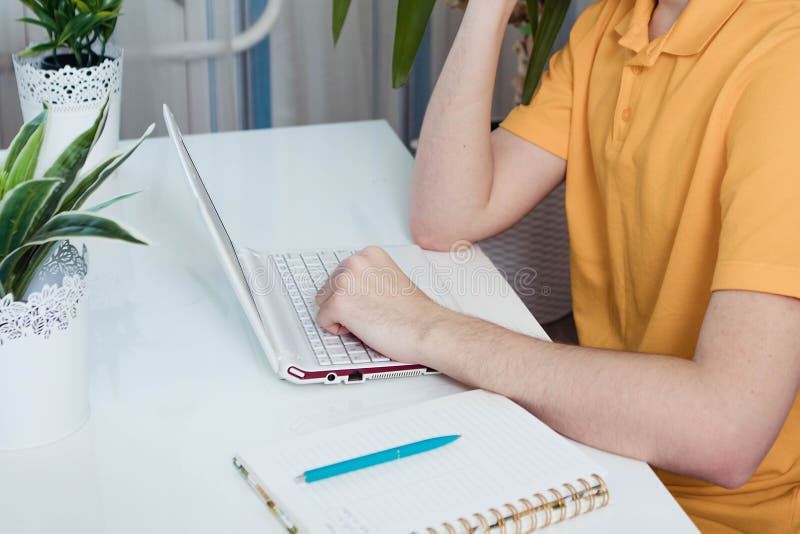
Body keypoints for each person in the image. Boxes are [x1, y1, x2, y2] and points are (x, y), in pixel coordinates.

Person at [314, 0, 800, 531]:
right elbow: (446, 215)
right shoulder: (611, 25)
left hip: (717, 515)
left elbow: (726, 433)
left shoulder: (785, 61)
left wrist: (427, 328)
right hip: (603, 455)